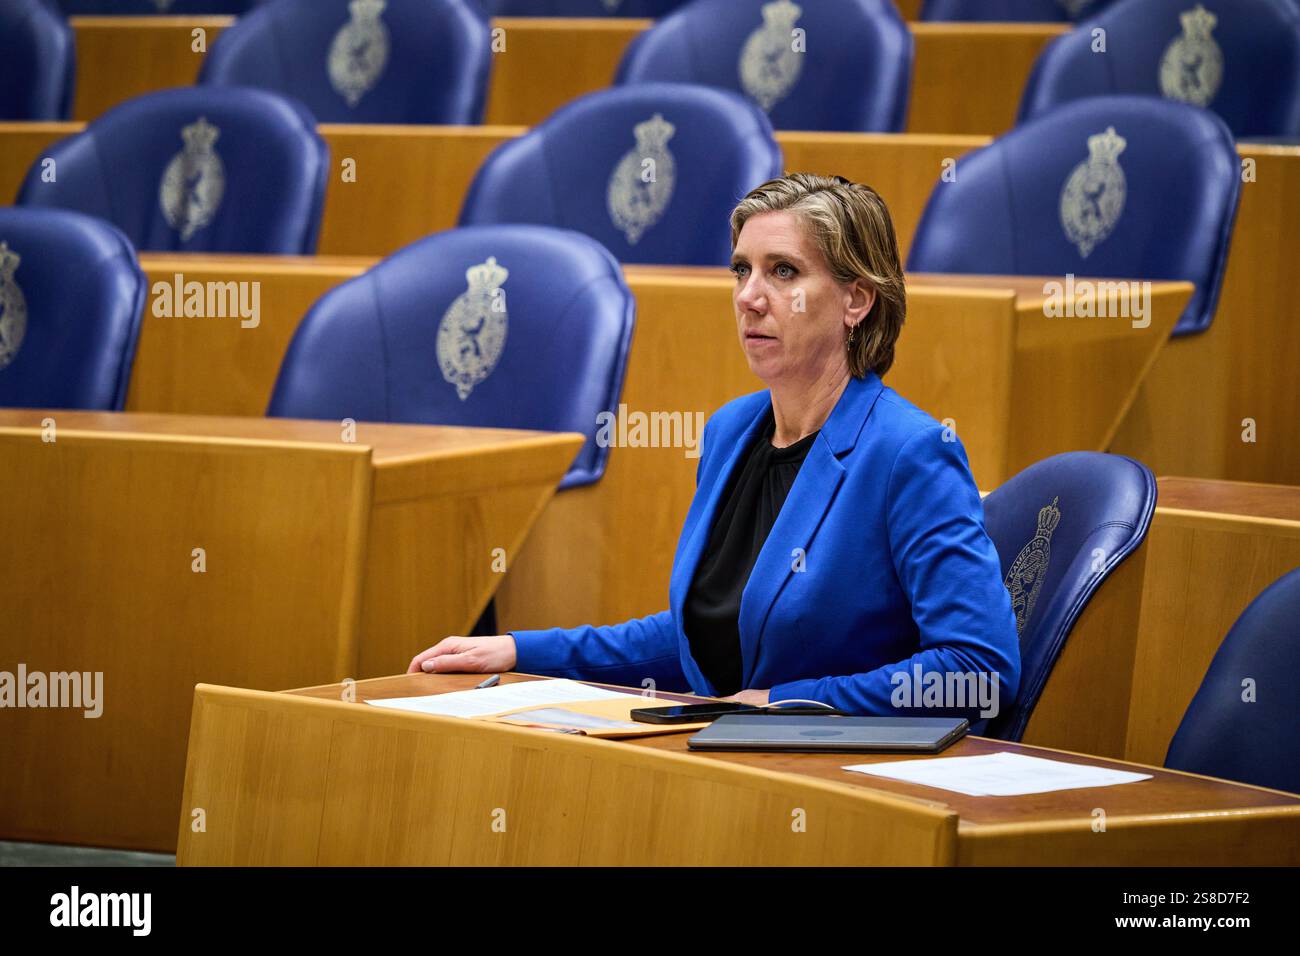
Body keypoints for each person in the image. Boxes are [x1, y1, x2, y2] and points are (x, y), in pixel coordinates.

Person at [409, 172, 1020, 722]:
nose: (749, 296)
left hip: (836, 777)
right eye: (741, 270)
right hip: (723, 755)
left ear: (856, 300)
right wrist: (523, 650)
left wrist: (793, 704)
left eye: (783, 272)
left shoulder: (908, 453)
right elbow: (702, 637)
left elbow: (978, 672)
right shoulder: (732, 431)